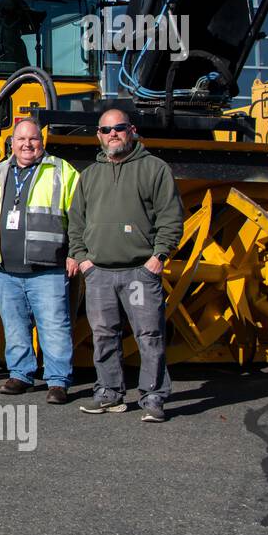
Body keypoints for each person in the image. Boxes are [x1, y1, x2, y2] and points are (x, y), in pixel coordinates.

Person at [68, 107, 184, 422]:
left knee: (149, 335)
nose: (113, 134)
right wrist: (83, 260)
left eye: (119, 128)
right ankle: (109, 393)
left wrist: (158, 258)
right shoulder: (90, 175)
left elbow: (171, 218)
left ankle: (153, 397)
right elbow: (76, 221)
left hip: (139, 273)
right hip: (100, 273)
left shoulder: (154, 169)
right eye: (106, 130)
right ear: (98, 136)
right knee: (103, 335)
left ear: (131, 130)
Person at [0, 119, 80, 405]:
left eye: (32, 139)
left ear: (41, 141)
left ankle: (58, 381)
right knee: (14, 325)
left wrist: (76, 252)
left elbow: (80, 215)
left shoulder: (60, 171)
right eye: (21, 140)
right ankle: (21, 374)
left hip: (47, 268)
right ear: (12, 143)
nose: (27, 145)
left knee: (54, 326)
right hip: (6, 268)